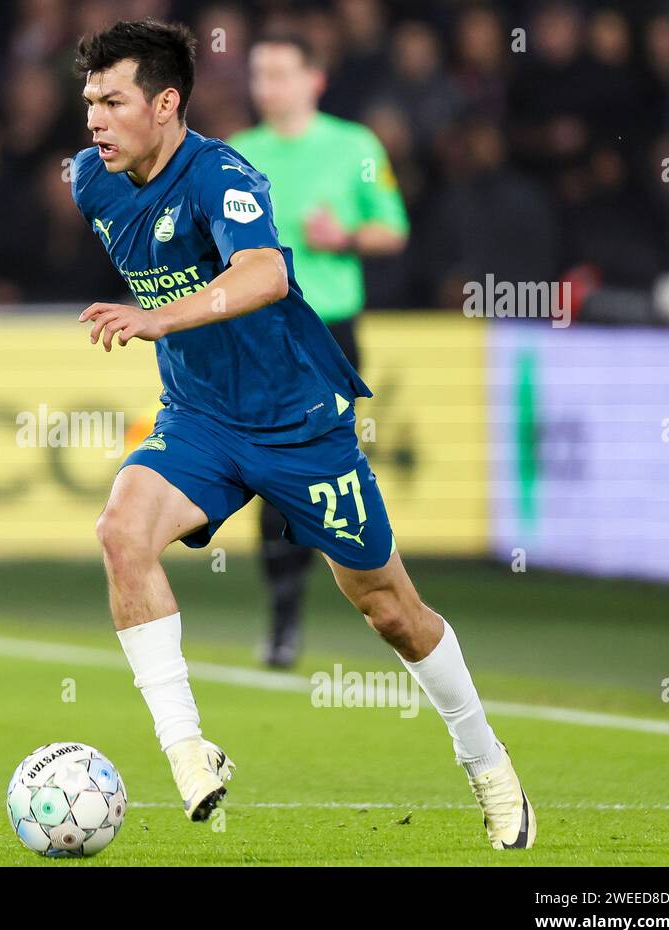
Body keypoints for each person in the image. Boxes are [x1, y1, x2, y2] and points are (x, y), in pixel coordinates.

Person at [69, 18, 534, 849]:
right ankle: (186, 749)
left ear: (166, 103)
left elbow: (266, 273)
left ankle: (486, 759)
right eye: (89, 101)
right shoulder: (89, 180)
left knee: (391, 609)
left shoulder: (225, 176)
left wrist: (157, 318)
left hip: (297, 423)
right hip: (201, 417)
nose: (94, 120)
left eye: (112, 101)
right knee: (120, 530)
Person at [227, 32, 408, 668]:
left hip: (330, 332)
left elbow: (394, 228)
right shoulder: (237, 154)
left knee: (326, 473)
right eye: (259, 73)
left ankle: (386, 605)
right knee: (268, 476)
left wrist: (345, 236)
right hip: (262, 332)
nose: (266, 85)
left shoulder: (355, 146)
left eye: (279, 72)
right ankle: (284, 620)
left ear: (315, 79)